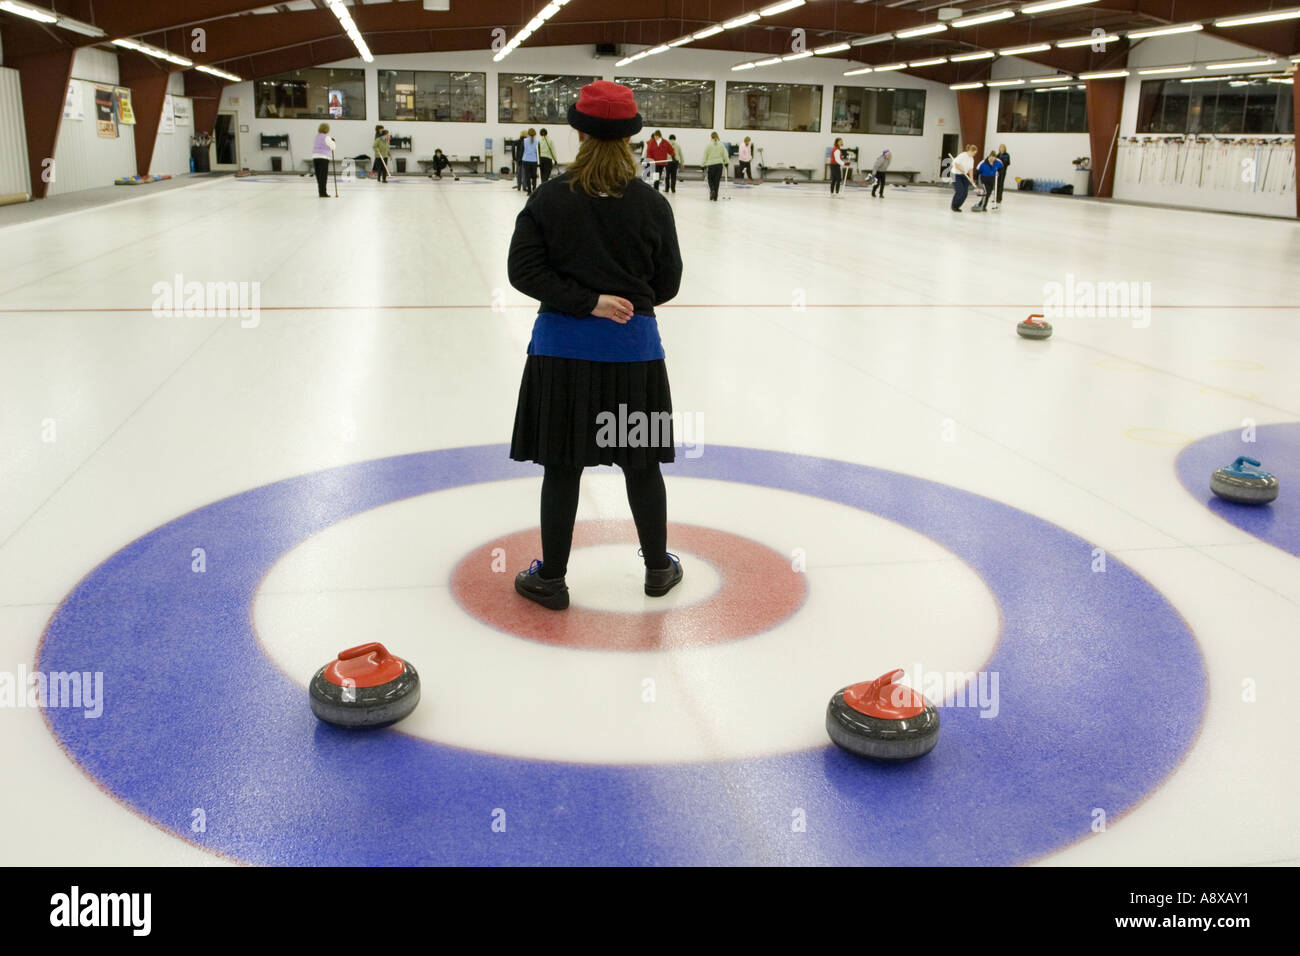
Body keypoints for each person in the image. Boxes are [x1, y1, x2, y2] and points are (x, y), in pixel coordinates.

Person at [507, 80, 684, 610]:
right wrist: (615, 299)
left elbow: (523, 271)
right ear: (632, 136)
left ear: (578, 131)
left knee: (562, 466)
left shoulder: (550, 197)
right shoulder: (651, 204)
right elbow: (668, 283)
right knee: (642, 464)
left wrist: (584, 301)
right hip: (634, 356)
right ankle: (657, 569)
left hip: (561, 354)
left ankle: (552, 580)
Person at [951, 144, 979, 212]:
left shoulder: (971, 159)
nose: (974, 155)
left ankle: (958, 206)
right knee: (960, 191)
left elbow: (970, 169)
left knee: (965, 193)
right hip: (955, 174)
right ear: (970, 151)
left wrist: (971, 178)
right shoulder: (962, 155)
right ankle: (954, 206)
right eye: (974, 153)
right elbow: (954, 164)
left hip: (963, 175)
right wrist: (960, 169)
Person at [701, 131, 728, 201]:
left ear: (711, 137)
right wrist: (726, 162)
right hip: (719, 165)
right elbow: (725, 154)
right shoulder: (721, 145)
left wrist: (702, 165)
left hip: (711, 165)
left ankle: (712, 190)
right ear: (717, 136)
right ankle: (715, 197)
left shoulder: (708, 145)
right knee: (717, 181)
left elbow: (705, 155)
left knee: (710, 180)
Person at [312, 122, 335, 198]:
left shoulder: (317, 136)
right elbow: (333, 147)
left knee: (318, 176)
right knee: (323, 176)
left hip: (315, 157)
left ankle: (320, 192)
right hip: (323, 158)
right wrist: (333, 141)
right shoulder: (326, 137)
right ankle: (323, 193)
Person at [522, 127, 540, 194]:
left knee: (527, 176)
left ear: (528, 133)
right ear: (535, 134)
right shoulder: (537, 141)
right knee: (534, 176)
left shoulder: (525, 140)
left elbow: (524, 150)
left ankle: (529, 191)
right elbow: (537, 152)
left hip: (526, 160)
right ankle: (534, 189)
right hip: (534, 160)